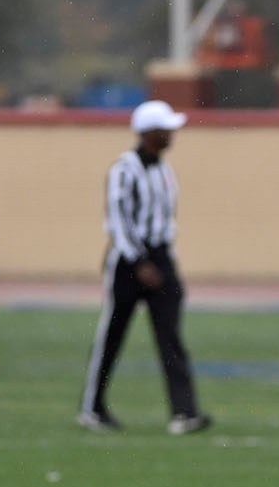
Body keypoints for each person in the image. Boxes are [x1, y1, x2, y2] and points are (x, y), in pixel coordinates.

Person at [78, 100, 212, 435]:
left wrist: (166, 258)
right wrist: (138, 261)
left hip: (161, 256)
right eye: (166, 128)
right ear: (150, 132)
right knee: (112, 334)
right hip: (129, 262)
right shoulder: (124, 169)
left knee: (170, 335)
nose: (172, 134)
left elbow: (165, 219)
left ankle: (184, 412)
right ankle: (92, 407)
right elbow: (118, 219)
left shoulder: (165, 170)